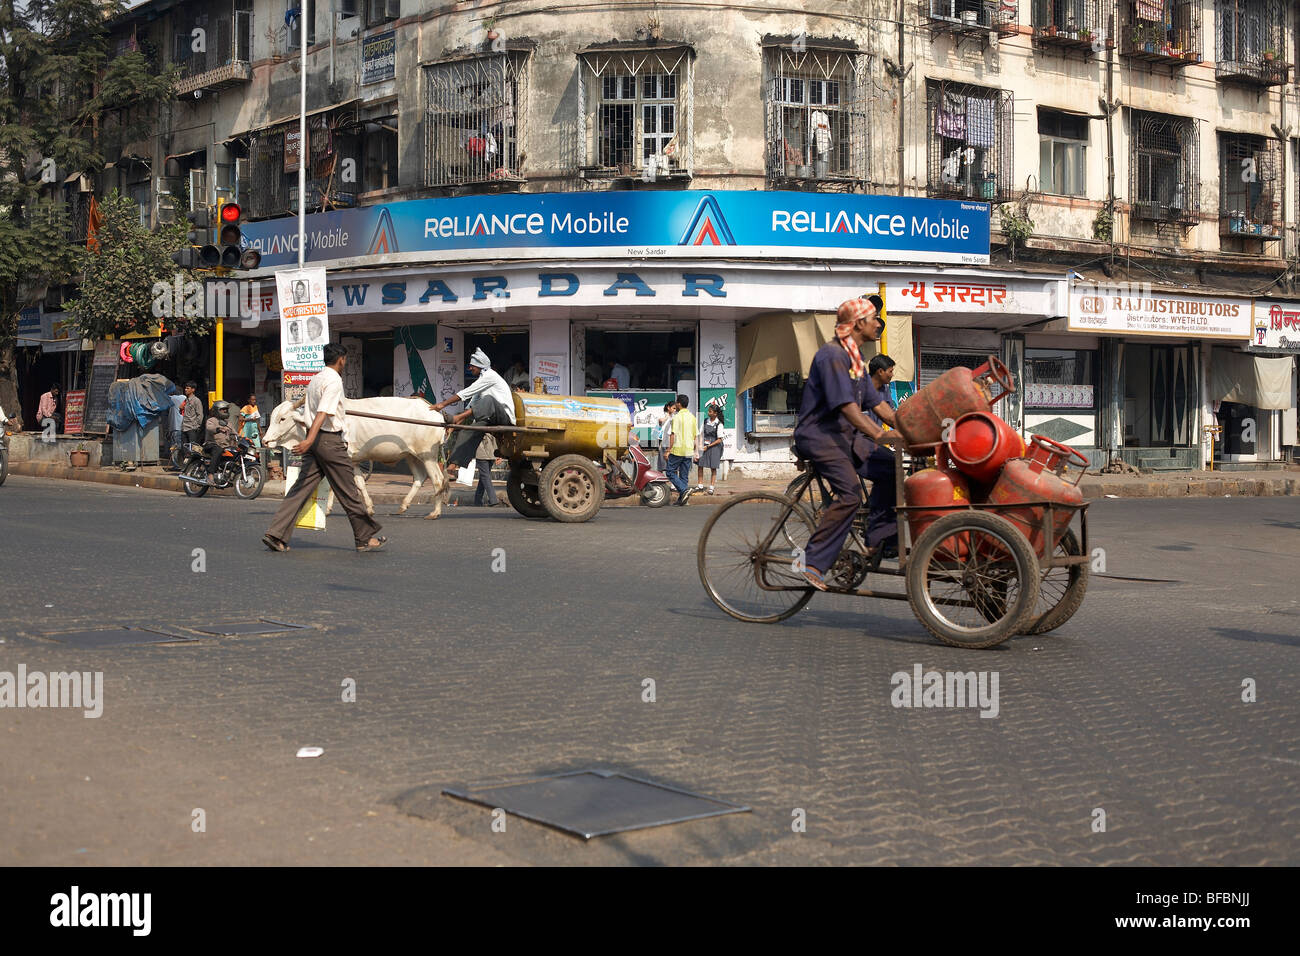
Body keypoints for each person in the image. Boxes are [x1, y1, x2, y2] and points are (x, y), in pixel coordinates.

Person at [791, 296, 895, 591]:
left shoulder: (857, 361)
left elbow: (878, 406)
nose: (878, 324)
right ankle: (810, 562)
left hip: (845, 437)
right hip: (821, 437)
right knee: (849, 495)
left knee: (893, 470)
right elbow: (847, 408)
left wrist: (909, 429)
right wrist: (880, 435)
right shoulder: (832, 356)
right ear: (859, 323)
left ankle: (875, 542)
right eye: (874, 319)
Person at [263, 343, 386, 553]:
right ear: (341, 360)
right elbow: (323, 412)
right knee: (348, 489)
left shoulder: (316, 379)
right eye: (345, 360)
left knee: (300, 489)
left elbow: (314, 411)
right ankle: (364, 538)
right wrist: (310, 440)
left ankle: (276, 534)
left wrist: (311, 438)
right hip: (328, 442)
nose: (345, 363)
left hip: (317, 442)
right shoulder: (333, 380)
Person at [433, 347, 516, 481]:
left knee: (488, 400)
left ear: (480, 365)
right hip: (491, 416)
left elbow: (467, 392)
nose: (470, 368)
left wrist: (443, 405)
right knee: (469, 430)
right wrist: (457, 424)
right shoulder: (482, 379)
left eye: (472, 366)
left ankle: (456, 417)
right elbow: (473, 401)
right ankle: (452, 468)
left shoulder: (490, 376)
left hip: (504, 416)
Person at [860, 353, 899, 558]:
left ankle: (891, 539)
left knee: (897, 468)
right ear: (880, 371)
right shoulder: (859, 388)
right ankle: (876, 535)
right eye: (890, 371)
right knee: (889, 471)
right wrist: (882, 435)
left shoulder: (883, 389)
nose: (892, 375)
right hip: (857, 440)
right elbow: (858, 421)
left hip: (874, 438)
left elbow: (891, 415)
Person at [665, 393, 699, 506]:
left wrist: (668, 450)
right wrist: (696, 451)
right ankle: (682, 499)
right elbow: (695, 436)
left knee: (670, 472)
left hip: (678, 449)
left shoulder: (677, 417)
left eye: (676, 403)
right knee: (683, 476)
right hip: (689, 450)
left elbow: (672, 435)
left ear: (679, 404)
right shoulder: (693, 417)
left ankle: (684, 490)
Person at [695, 403, 724, 494]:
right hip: (704, 445)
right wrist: (700, 445)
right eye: (708, 411)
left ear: (715, 413)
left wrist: (708, 446)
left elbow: (719, 440)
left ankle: (712, 487)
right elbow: (701, 434)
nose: (708, 412)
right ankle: (700, 485)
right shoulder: (705, 421)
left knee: (713, 467)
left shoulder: (719, 424)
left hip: (714, 447)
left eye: (710, 411)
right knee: (700, 464)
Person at [202, 401, 237, 478]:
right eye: (223, 409)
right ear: (217, 410)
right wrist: (218, 429)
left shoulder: (228, 423)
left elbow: (234, 432)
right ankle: (210, 474)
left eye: (226, 409)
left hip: (225, 446)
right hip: (211, 444)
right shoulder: (211, 420)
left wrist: (241, 437)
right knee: (218, 449)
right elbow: (209, 428)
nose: (225, 411)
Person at [473, 432, 500, 507]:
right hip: (491, 455)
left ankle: (493, 500)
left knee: (485, 477)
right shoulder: (491, 427)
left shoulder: (478, 427)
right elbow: (495, 440)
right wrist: (498, 455)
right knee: (483, 477)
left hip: (482, 455)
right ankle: (477, 501)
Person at [180, 382, 205, 448]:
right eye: (185, 388)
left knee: (193, 448)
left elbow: (200, 414)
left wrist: (196, 426)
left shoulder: (196, 400)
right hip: (184, 427)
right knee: (185, 448)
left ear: (193, 390)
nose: (185, 389)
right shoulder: (186, 400)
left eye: (188, 388)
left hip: (191, 428)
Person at [654, 401, 676, 472]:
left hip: (671, 443)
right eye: (673, 408)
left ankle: (672, 481)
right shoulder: (663, 415)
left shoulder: (674, 417)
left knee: (673, 463)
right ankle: (660, 480)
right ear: (668, 408)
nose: (674, 410)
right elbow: (660, 421)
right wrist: (667, 417)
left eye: (675, 409)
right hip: (663, 442)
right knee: (662, 463)